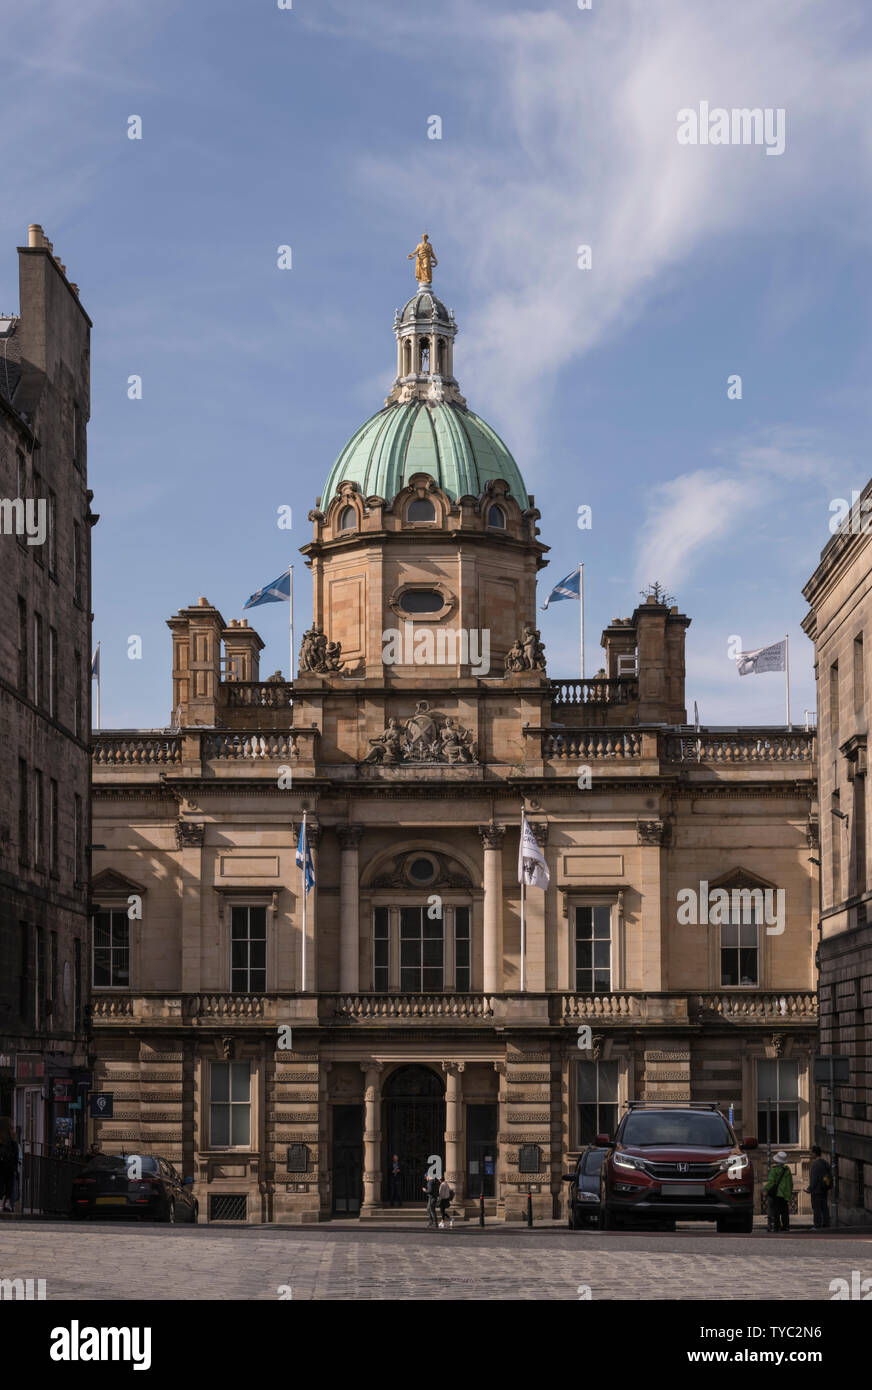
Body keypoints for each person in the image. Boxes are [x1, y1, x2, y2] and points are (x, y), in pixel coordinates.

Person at [764, 1150, 793, 1232]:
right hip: (785, 1194)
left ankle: (776, 1226)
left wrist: (765, 1190)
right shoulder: (787, 1170)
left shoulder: (774, 1170)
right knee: (784, 1211)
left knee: (775, 1210)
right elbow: (790, 1183)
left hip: (777, 1193)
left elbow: (771, 1182)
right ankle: (786, 1226)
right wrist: (789, 1193)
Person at [806, 1144, 833, 1228]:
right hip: (824, 1189)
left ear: (814, 1153)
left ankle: (817, 1225)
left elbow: (814, 1179)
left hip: (816, 1190)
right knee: (824, 1207)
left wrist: (809, 1189)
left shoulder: (815, 1164)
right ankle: (826, 1223)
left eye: (811, 1152)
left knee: (817, 1208)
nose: (810, 1154)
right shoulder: (825, 1163)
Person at [0, 1129, 18, 1213]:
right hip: (10, 1168)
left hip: (2, 1167)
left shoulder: (1, 1144)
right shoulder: (14, 1144)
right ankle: (7, 1204)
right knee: (9, 1187)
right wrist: (15, 1169)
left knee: (2, 1185)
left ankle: (2, 1204)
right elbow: (16, 1158)